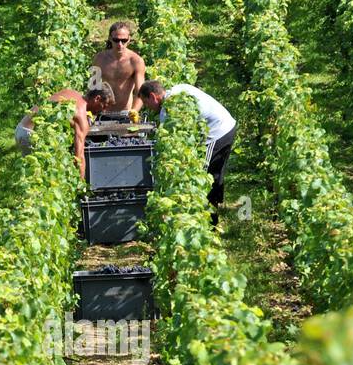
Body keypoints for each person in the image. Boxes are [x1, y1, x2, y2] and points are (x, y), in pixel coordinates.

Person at [138, 80, 237, 223]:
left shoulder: (168, 112)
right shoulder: (179, 88)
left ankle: (209, 220)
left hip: (218, 132)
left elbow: (171, 141)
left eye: (146, 104)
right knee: (214, 173)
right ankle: (213, 211)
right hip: (227, 123)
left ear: (153, 96)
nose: (148, 108)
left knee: (204, 176)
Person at [16, 84, 115, 179]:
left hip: (22, 128)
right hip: (30, 136)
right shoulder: (81, 116)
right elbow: (79, 156)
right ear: (97, 99)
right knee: (40, 177)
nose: (104, 111)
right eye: (104, 106)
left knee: (36, 173)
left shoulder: (71, 93)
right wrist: (81, 184)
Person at [90, 22, 146, 113]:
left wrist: (134, 111)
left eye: (123, 40)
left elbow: (140, 92)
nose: (120, 44)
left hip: (126, 113)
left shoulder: (136, 61)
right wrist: (90, 109)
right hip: (103, 112)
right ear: (110, 39)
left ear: (129, 40)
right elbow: (93, 87)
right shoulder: (100, 59)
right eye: (116, 40)